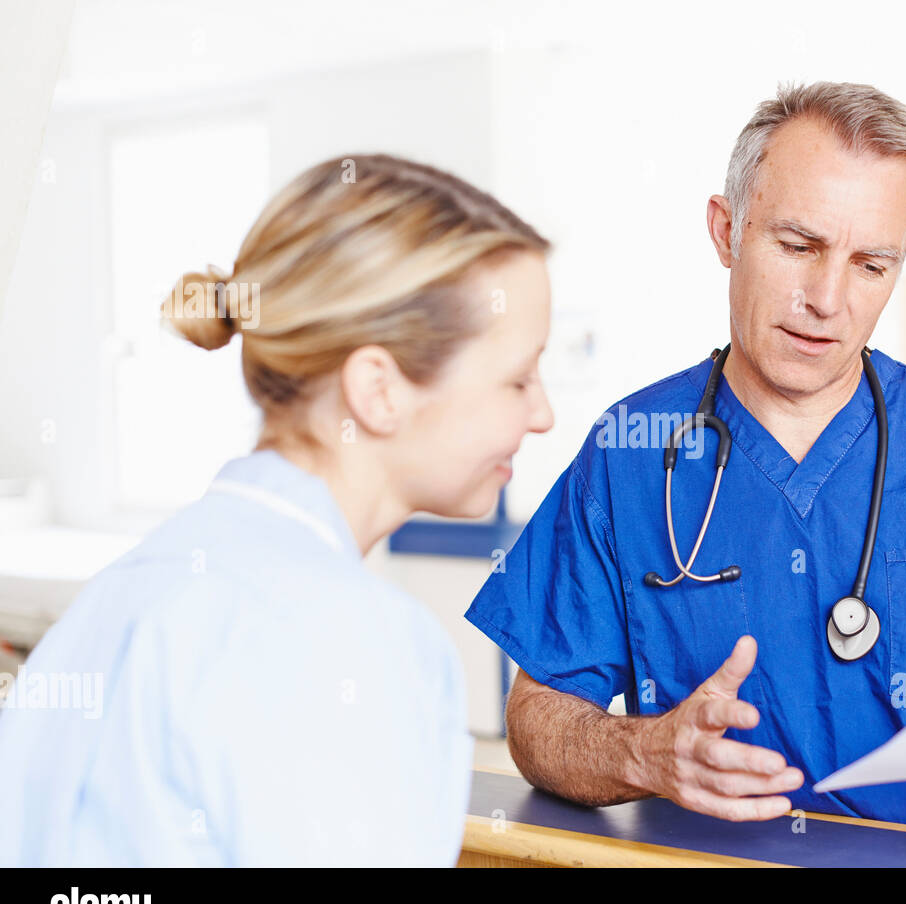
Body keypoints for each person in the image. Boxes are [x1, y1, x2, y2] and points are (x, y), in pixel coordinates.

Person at [465, 82, 906, 840]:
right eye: (798, 246)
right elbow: (537, 717)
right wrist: (643, 752)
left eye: (872, 264)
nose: (828, 298)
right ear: (726, 230)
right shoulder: (631, 452)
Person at [0, 154, 554, 865]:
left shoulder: (120, 596)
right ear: (378, 391)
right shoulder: (360, 643)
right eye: (518, 377)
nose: (543, 413)